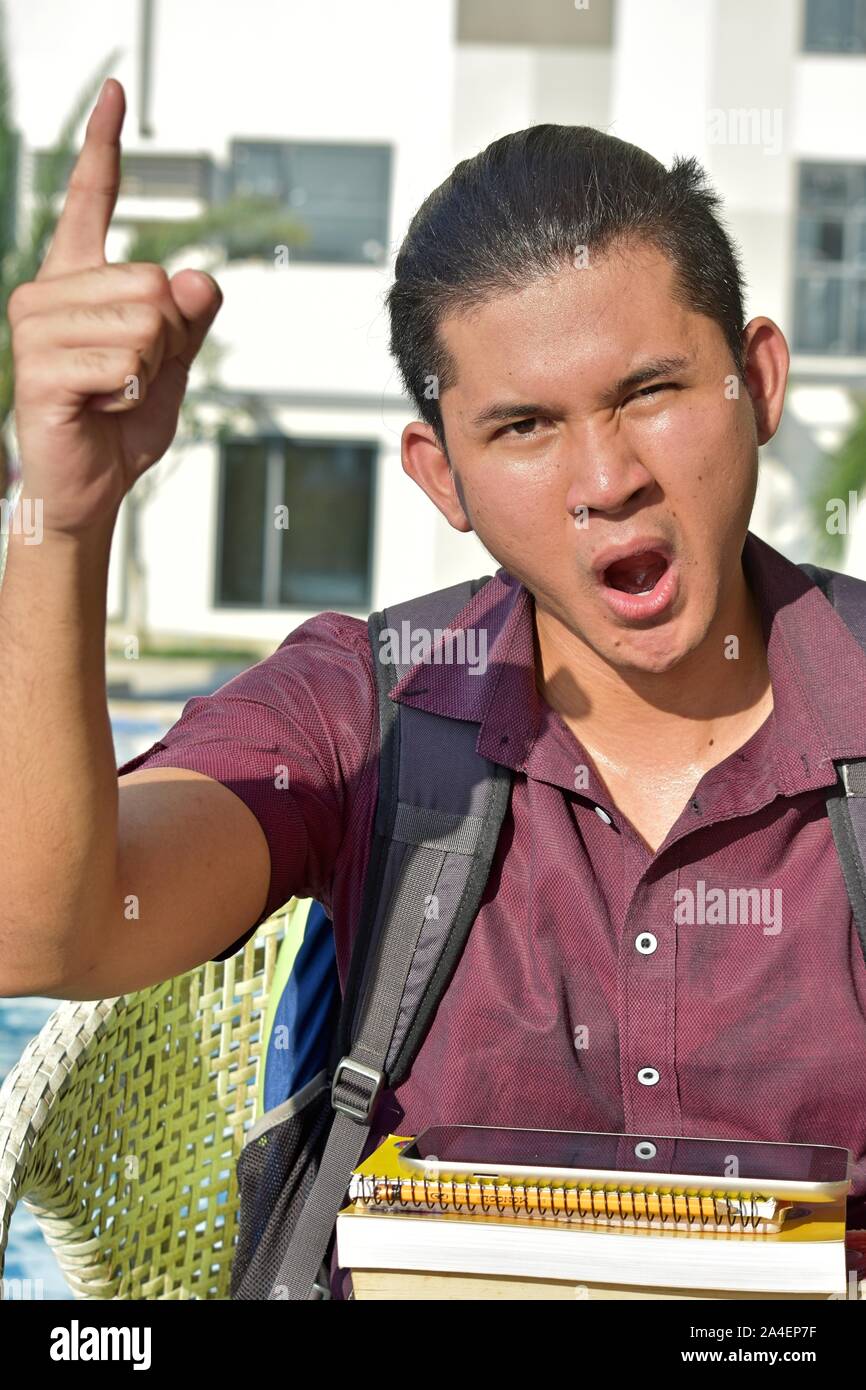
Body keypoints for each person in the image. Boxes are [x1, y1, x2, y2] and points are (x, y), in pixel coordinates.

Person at [3, 78, 865, 1300]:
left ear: (757, 382)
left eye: (650, 392)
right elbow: (44, 927)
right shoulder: (369, 709)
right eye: (522, 426)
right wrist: (64, 520)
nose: (604, 478)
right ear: (441, 476)